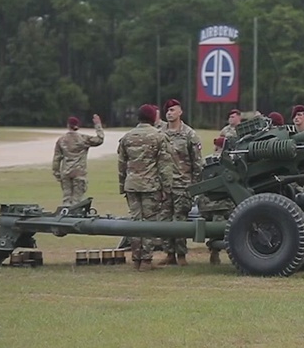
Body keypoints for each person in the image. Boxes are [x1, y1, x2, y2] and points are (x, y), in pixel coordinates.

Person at [118, 104, 174, 271]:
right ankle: (146, 261)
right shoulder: (159, 136)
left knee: (135, 222)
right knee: (149, 223)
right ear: (152, 118)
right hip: (150, 186)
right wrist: (167, 189)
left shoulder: (127, 137)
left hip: (132, 185)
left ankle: (136, 259)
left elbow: (121, 165)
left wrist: (122, 186)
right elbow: (165, 166)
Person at [158, 99, 204, 266]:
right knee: (164, 219)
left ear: (180, 112)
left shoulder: (189, 134)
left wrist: (196, 185)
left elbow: (197, 162)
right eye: (167, 110)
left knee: (180, 220)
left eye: (172, 110)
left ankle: (181, 255)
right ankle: (169, 253)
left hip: (183, 184)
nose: (169, 113)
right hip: (163, 185)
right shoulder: (159, 133)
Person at [52, 114, 105, 206]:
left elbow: (57, 158)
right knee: (77, 201)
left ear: (68, 125)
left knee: (66, 199)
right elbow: (100, 139)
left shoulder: (61, 140)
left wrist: (57, 173)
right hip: (79, 172)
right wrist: (98, 125)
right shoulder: (83, 139)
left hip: (66, 172)